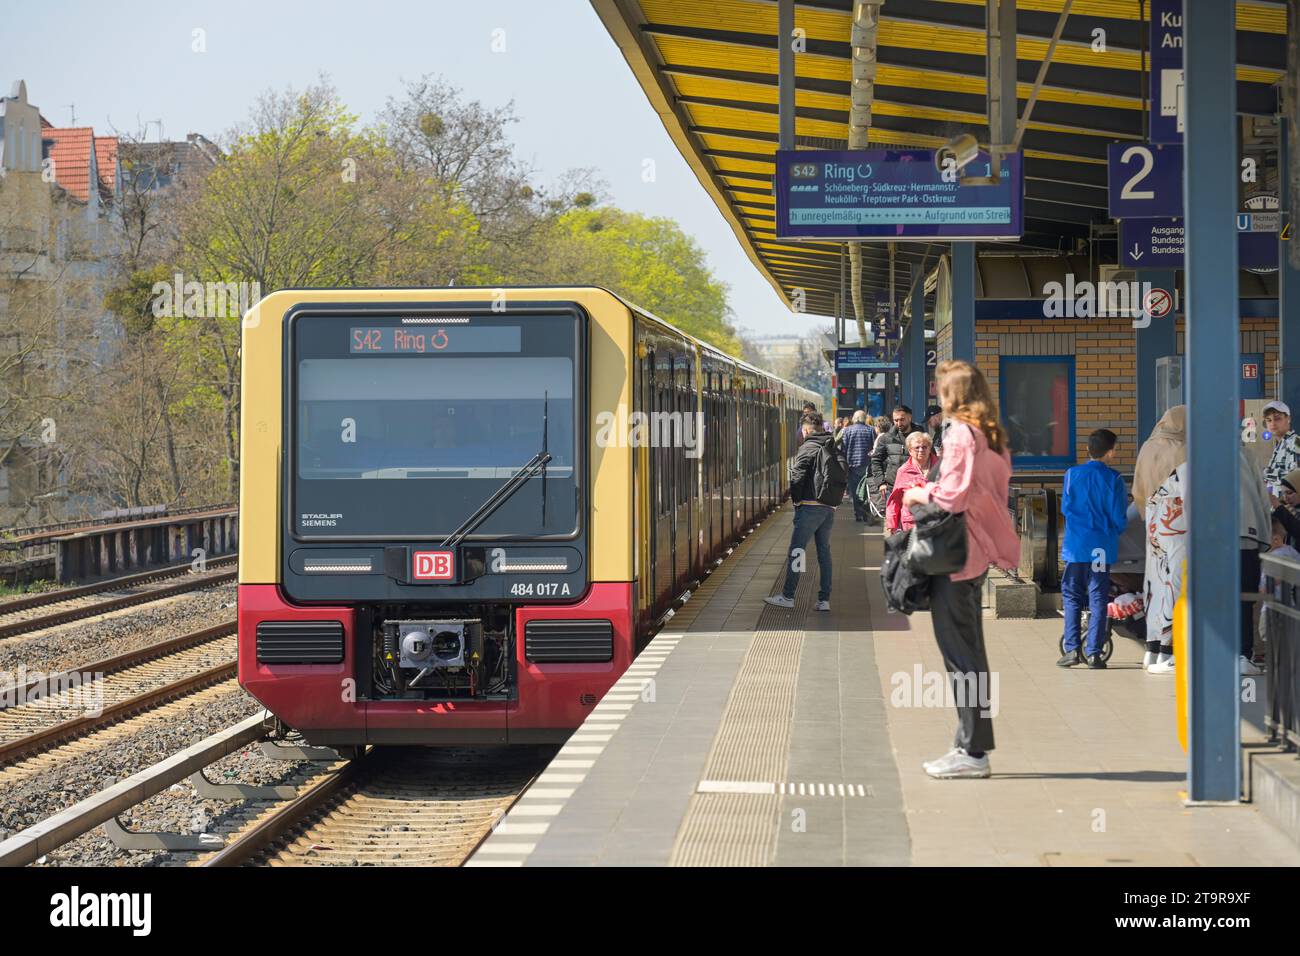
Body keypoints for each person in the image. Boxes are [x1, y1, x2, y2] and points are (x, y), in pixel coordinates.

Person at [901, 360, 1019, 779]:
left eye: (940, 388)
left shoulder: (960, 434)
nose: (936, 395)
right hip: (976, 555)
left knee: (960, 658)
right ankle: (970, 743)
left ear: (953, 394)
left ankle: (972, 752)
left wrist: (918, 491)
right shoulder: (992, 436)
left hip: (954, 556)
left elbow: (951, 497)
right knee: (970, 654)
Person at [1057, 429, 1129, 669]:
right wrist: (1111, 531)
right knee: (1098, 596)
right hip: (1101, 546)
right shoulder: (1115, 479)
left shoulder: (1071, 474)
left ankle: (1072, 650)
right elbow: (1119, 517)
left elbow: (1066, 508)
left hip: (1076, 546)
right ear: (1110, 452)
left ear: (1088, 449)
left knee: (1072, 596)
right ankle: (1094, 653)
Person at [766, 413, 846, 612]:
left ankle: (788, 595)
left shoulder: (807, 447)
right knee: (824, 553)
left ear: (806, 430)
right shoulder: (832, 445)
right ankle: (824, 600)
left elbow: (797, 476)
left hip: (810, 506)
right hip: (829, 508)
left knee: (797, 551)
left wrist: (797, 501)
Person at [1135, 406, 1186, 673]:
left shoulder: (1147, 447)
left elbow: (1137, 490)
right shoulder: (1182, 449)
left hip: (1153, 523)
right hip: (1177, 526)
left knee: (1153, 584)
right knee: (1175, 585)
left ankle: (1152, 648)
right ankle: (1169, 650)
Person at [1239, 445, 1273, 675]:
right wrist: (1265, 537)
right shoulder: (1245, 453)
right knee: (1244, 598)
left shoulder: (1195, 450)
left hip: (1209, 541)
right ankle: (1242, 655)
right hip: (1246, 535)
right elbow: (1261, 496)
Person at [868, 405, 925, 519]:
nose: (899, 423)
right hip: (892, 488)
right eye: (896, 420)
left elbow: (930, 458)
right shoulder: (886, 438)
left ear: (910, 417)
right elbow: (876, 460)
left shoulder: (921, 437)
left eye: (902, 419)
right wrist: (881, 483)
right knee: (894, 521)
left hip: (915, 487)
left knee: (913, 522)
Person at [885, 431, 936, 535]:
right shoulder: (903, 471)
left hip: (936, 520)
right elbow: (895, 500)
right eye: (917, 448)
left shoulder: (941, 466)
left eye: (924, 447)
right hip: (911, 522)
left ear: (930, 448)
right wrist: (892, 524)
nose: (921, 450)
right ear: (910, 451)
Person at [840, 410, 877, 523]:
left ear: (854, 419)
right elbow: (874, 447)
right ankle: (866, 513)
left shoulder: (847, 431)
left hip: (852, 465)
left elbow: (843, 449)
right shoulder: (870, 430)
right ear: (864, 418)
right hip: (867, 464)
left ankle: (858, 514)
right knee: (866, 491)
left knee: (855, 491)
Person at [1263, 400, 1300, 492]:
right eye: (1269, 420)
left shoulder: (1295, 442)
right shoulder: (1281, 445)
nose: (1273, 423)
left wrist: (1266, 473)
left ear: (1288, 418)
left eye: (1277, 418)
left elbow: (1295, 477)